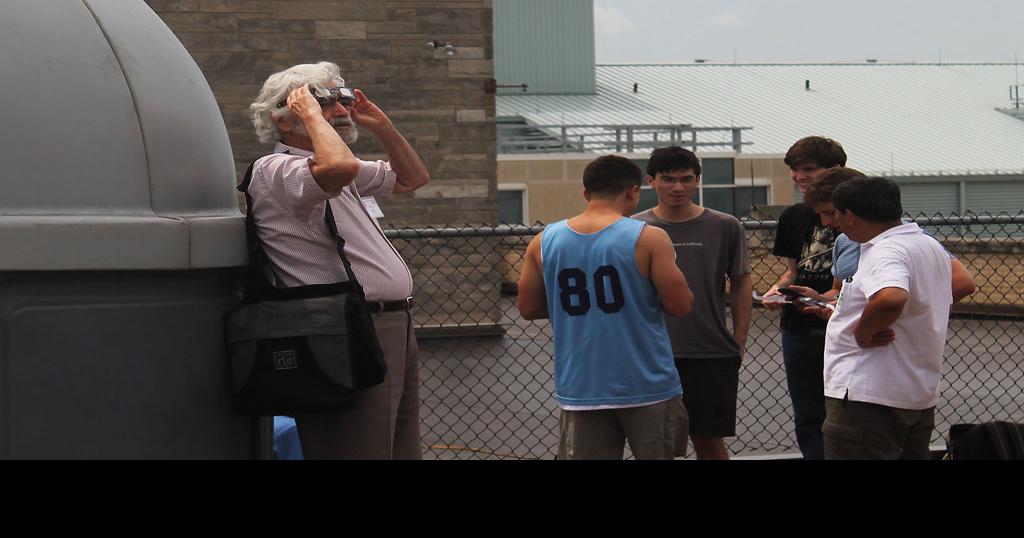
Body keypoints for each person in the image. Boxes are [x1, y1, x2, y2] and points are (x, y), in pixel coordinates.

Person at [246, 61, 430, 459]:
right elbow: (340, 167)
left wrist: (384, 128)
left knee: (400, 447)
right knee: (357, 446)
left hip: (389, 321)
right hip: (345, 327)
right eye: (325, 102)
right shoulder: (278, 170)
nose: (342, 110)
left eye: (342, 99)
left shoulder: (330, 169)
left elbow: (411, 178)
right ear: (286, 120)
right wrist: (313, 115)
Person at [516, 155, 695, 460]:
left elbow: (529, 308)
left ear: (586, 193)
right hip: (646, 381)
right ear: (633, 191)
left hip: (582, 384)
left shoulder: (544, 241)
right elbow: (680, 305)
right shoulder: (649, 238)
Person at [816, 177, 953, 459]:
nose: (834, 223)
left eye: (837, 214)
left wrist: (862, 332)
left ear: (850, 216)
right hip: (914, 393)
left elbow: (891, 297)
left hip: (868, 398)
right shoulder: (928, 246)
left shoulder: (886, 251)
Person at [632, 146, 752, 460]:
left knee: (708, 440)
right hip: (651, 353)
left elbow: (740, 282)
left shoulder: (726, 226)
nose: (678, 187)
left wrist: (738, 340)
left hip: (710, 352)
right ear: (651, 181)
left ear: (697, 181)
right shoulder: (633, 229)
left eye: (686, 179)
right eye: (668, 179)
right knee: (655, 445)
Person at [761, 136, 847, 460]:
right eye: (795, 171)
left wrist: (831, 298)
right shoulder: (793, 216)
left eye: (809, 170)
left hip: (842, 323)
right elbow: (792, 270)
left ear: (836, 170)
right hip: (797, 325)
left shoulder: (861, 215)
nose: (800, 178)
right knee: (808, 414)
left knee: (846, 411)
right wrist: (776, 289)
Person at [791, 167, 976, 314]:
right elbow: (840, 292)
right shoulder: (843, 241)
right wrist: (820, 299)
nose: (826, 222)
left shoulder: (909, 239)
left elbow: (962, 283)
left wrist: (889, 318)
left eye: (830, 213)